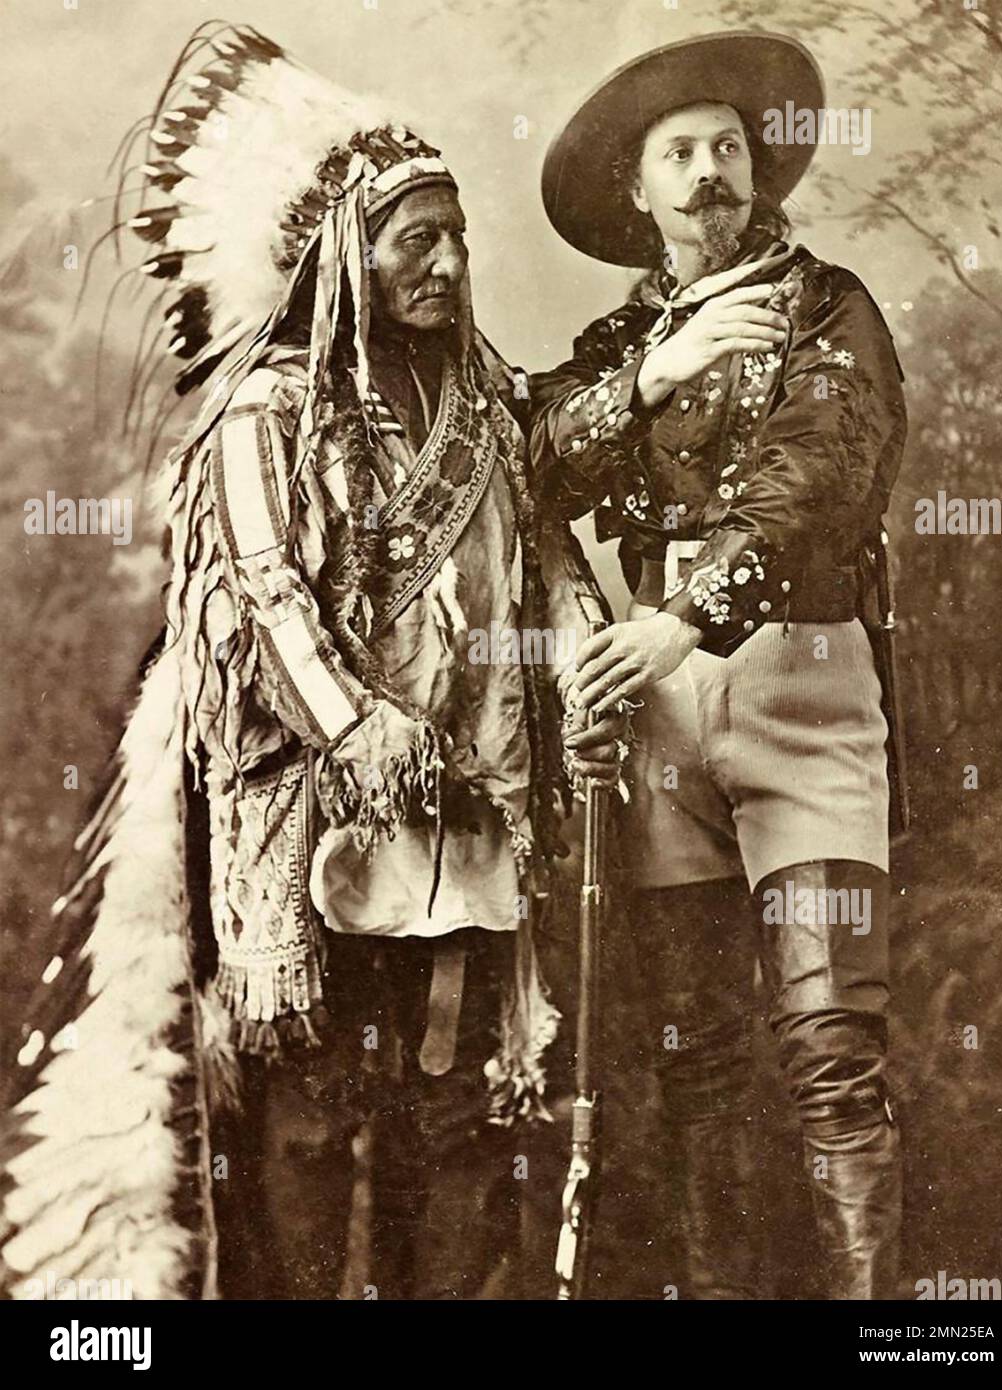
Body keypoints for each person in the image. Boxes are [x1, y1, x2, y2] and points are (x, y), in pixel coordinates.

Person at [0, 22, 622, 1302]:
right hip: (308, 829)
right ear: (351, 254)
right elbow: (261, 600)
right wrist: (357, 728)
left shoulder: (488, 411)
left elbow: (544, 571)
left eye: (458, 239)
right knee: (303, 1131)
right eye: (418, 242)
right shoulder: (262, 414)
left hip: (469, 829)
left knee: (452, 1129)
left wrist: (586, 668)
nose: (450, 263)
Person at [529, 31, 908, 1298]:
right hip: (655, 717)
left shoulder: (828, 304)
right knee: (697, 1061)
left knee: (831, 1047)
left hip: (803, 683)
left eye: (728, 149)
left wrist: (683, 617)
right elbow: (538, 466)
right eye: (679, 154)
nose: (709, 175)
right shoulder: (617, 343)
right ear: (638, 191)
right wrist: (654, 376)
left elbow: (822, 478)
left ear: (759, 170)